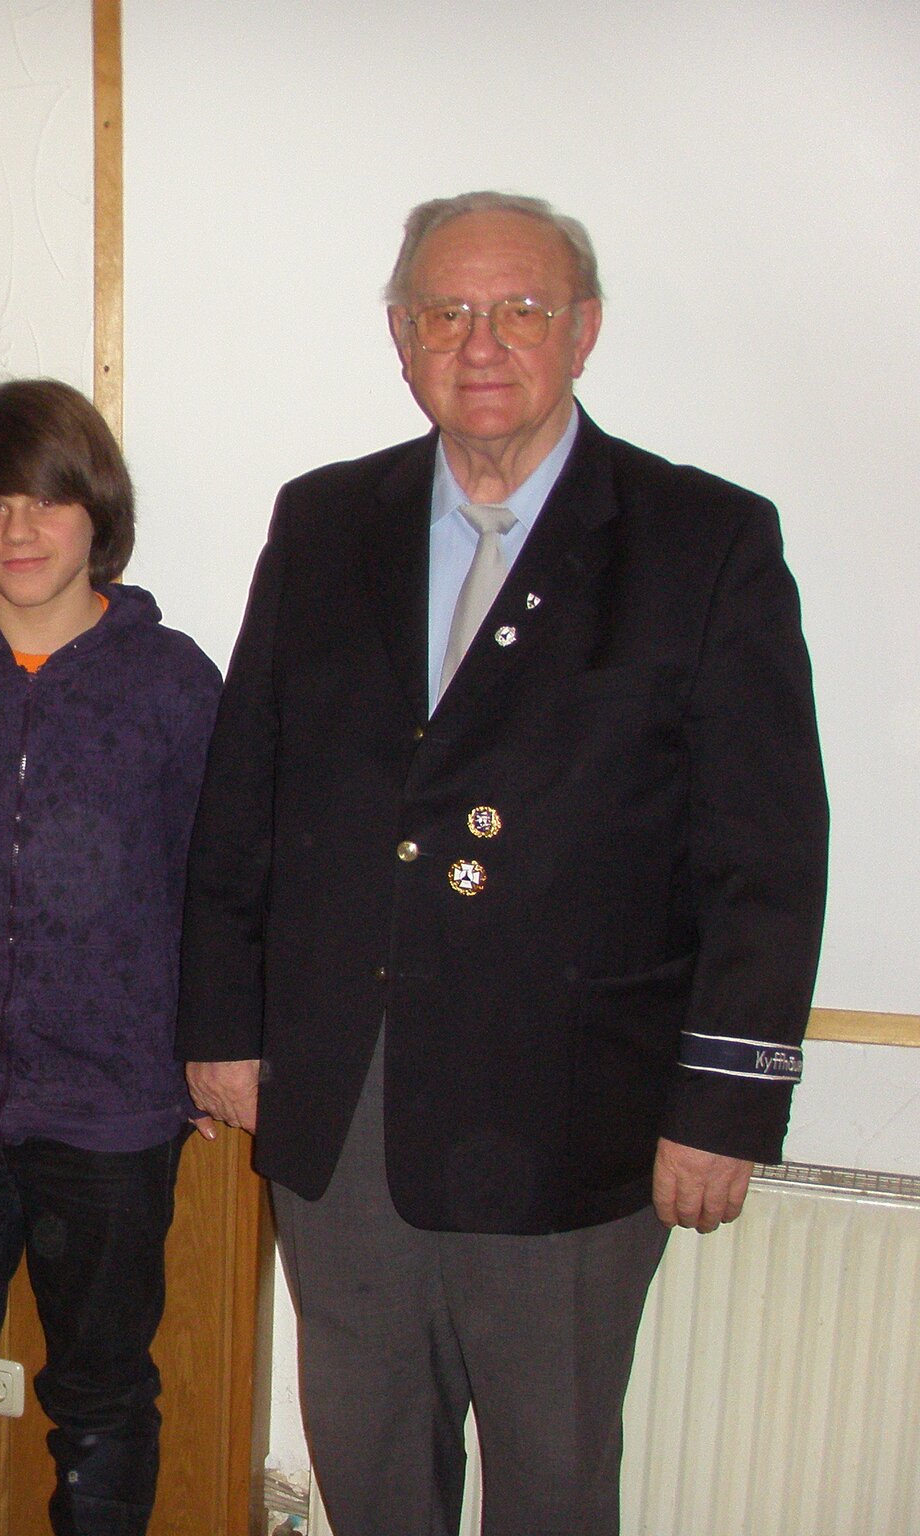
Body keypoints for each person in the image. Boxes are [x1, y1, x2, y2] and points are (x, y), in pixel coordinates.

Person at [179, 192, 828, 1536]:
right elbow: (246, 792)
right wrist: (225, 1023)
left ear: (582, 330)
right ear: (402, 336)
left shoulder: (702, 542)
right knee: (365, 1457)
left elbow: (767, 850)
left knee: (551, 1475)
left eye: (520, 308)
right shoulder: (325, 522)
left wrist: (723, 1101)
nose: (482, 341)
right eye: (446, 311)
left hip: (572, 1109)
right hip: (343, 1098)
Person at [0, 378, 221, 1535]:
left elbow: (209, 884)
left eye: (46, 501)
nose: (18, 532)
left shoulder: (172, 683)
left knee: (103, 1392)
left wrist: (205, 1051)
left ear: (96, 513)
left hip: (112, 1108)